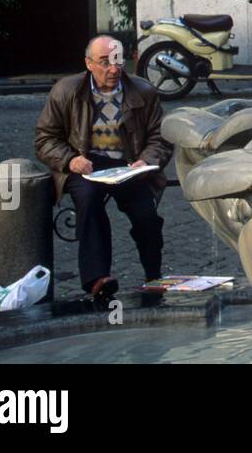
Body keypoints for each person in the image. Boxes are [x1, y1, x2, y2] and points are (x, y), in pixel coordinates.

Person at [34, 35, 172, 301]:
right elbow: (44, 139)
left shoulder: (143, 91)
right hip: (85, 161)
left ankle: (153, 275)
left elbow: (161, 137)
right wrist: (69, 160)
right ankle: (97, 279)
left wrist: (146, 160)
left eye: (117, 61)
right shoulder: (66, 91)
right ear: (88, 64)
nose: (113, 69)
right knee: (88, 200)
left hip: (127, 163)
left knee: (146, 215)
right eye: (104, 62)